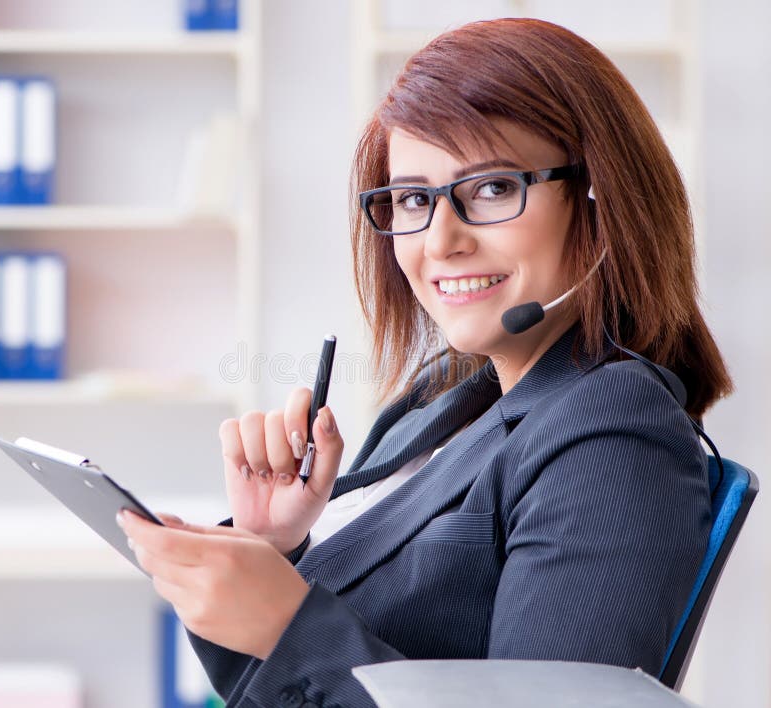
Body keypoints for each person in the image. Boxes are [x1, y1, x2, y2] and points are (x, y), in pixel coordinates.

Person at [117, 17, 732, 708]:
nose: (440, 241)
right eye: (413, 198)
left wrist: (289, 626)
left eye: (493, 188)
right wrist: (275, 549)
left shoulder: (614, 436)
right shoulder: (445, 397)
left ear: (600, 199)